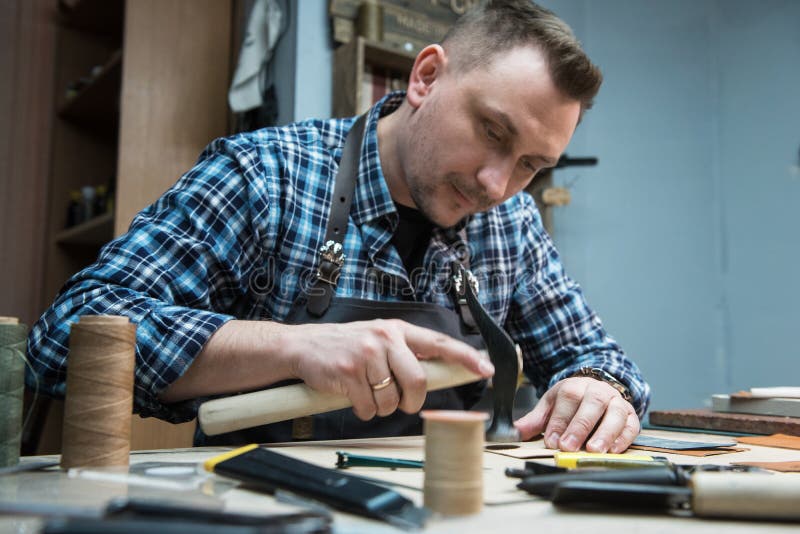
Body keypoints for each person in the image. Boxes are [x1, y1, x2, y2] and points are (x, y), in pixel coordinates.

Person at [28, 0, 650, 451]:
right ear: (426, 77)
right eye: (492, 132)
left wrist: (599, 389)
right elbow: (66, 334)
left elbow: (596, 356)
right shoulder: (267, 174)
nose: (496, 184)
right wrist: (293, 347)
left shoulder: (510, 222)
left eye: (531, 167)